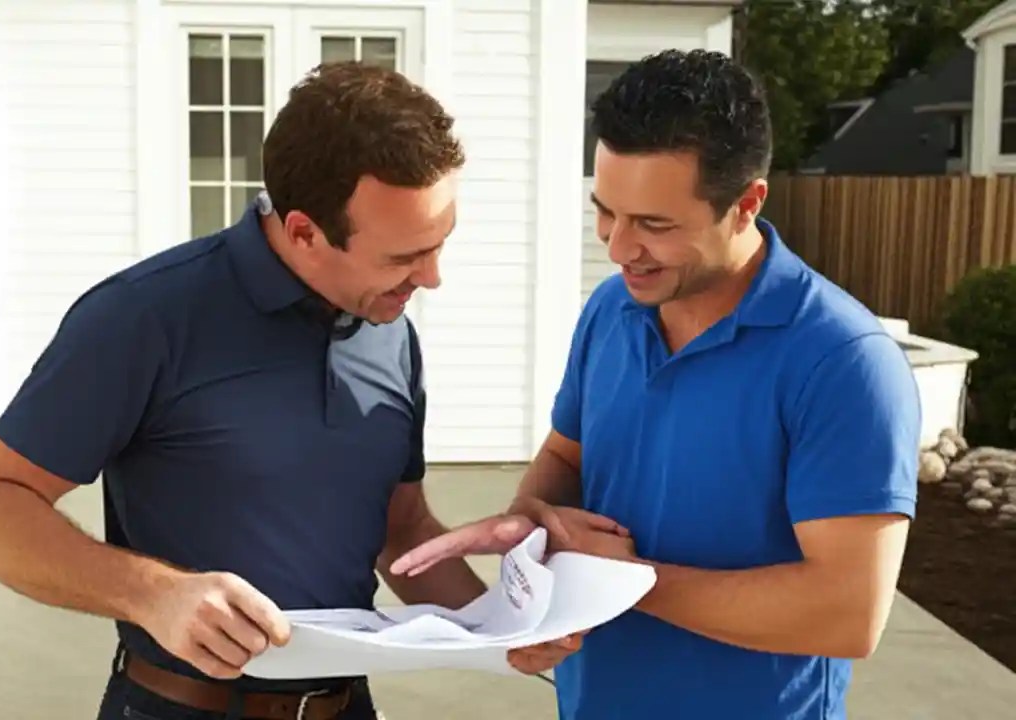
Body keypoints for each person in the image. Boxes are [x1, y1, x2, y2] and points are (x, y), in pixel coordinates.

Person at [0, 61, 580, 720]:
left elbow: (401, 528)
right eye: (402, 258)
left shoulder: (393, 330)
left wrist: (499, 629)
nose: (432, 278)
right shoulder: (144, 318)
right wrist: (152, 593)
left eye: (439, 245)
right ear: (304, 231)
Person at [389, 49, 922, 719]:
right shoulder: (612, 311)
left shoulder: (843, 362)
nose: (616, 247)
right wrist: (529, 531)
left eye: (655, 225)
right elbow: (565, 458)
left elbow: (846, 614)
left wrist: (620, 583)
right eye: (606, 211)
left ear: (746, 203)